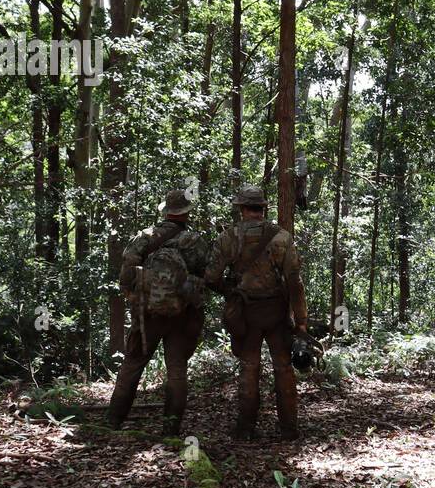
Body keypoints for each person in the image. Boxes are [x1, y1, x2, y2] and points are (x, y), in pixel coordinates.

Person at [204, 185, 310, 441]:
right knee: (283, 368)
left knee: (249, 368)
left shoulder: (228, 237)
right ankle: (289, 430)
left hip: (246, 314)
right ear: (263, 208)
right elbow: (295, 282)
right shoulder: (282, 238)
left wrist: (231, 292)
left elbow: (211, 276)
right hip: (276, 312)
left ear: (242, 209)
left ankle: (245, 430)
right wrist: (302, 323)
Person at [107, 189, 210, 436]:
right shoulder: (194, 241)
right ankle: (171, 428)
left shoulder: (143, 237)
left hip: (147, 315)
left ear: (166, 211)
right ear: (186, 213)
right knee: (177, 369)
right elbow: (207, 276)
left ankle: (112, 422)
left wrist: (136, 299)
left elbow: (126, 275)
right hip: (181, 315)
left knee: (132, 364)